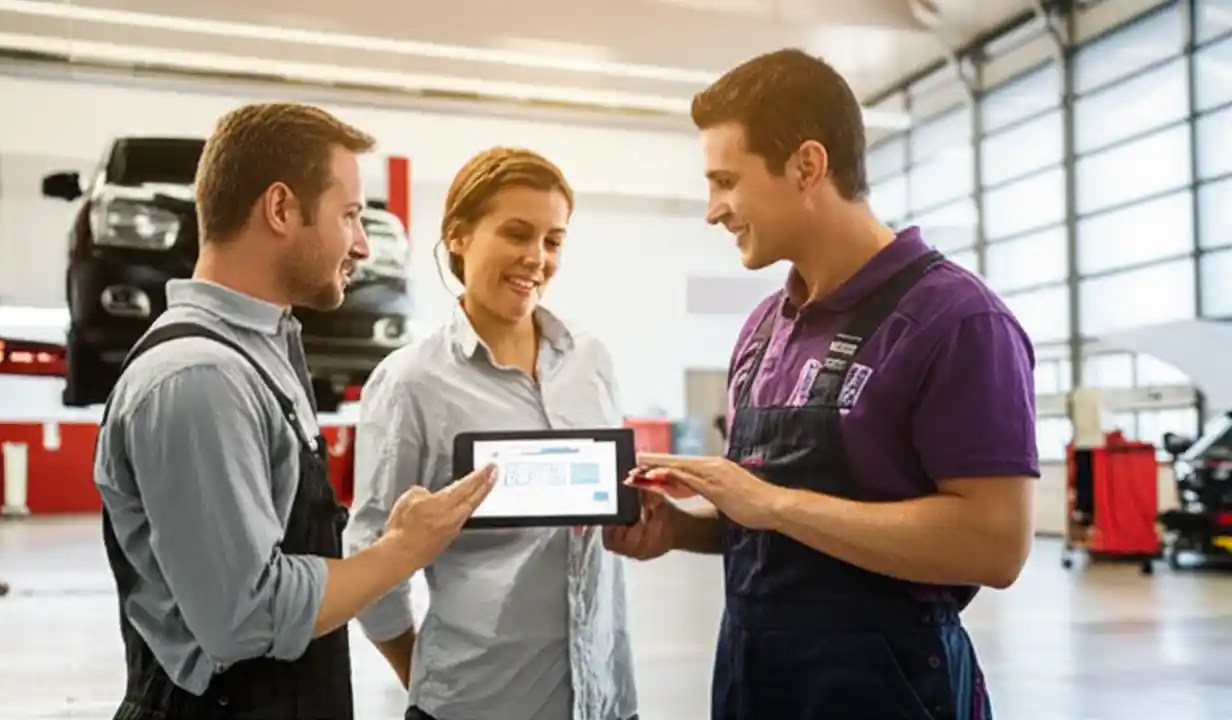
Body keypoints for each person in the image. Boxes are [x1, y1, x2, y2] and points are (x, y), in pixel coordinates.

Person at [605, 48, 1039, 720]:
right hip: (756, 682)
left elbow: (995, 545)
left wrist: (772, 504)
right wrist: (681, 530)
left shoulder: (957, 321)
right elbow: (763, 520)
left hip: (888, 692)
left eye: (725, 181)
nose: (713, 210)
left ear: (808, 166)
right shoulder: (761, 327)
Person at [92, 102, 495, 720]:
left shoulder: (264, 350)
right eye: (350, 215)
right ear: (281, 209)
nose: (362, 244)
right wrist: (402, 552)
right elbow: (246, 616)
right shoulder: (200, 378)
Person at [343, 146, 639, 720]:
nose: (537, 258)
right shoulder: (411, 383)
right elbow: (371, 560)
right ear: (458, 236)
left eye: (553, 241)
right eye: (516, 233)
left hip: (605, 701)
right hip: (475, 704)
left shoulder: (591, 362)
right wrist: (426, 679)